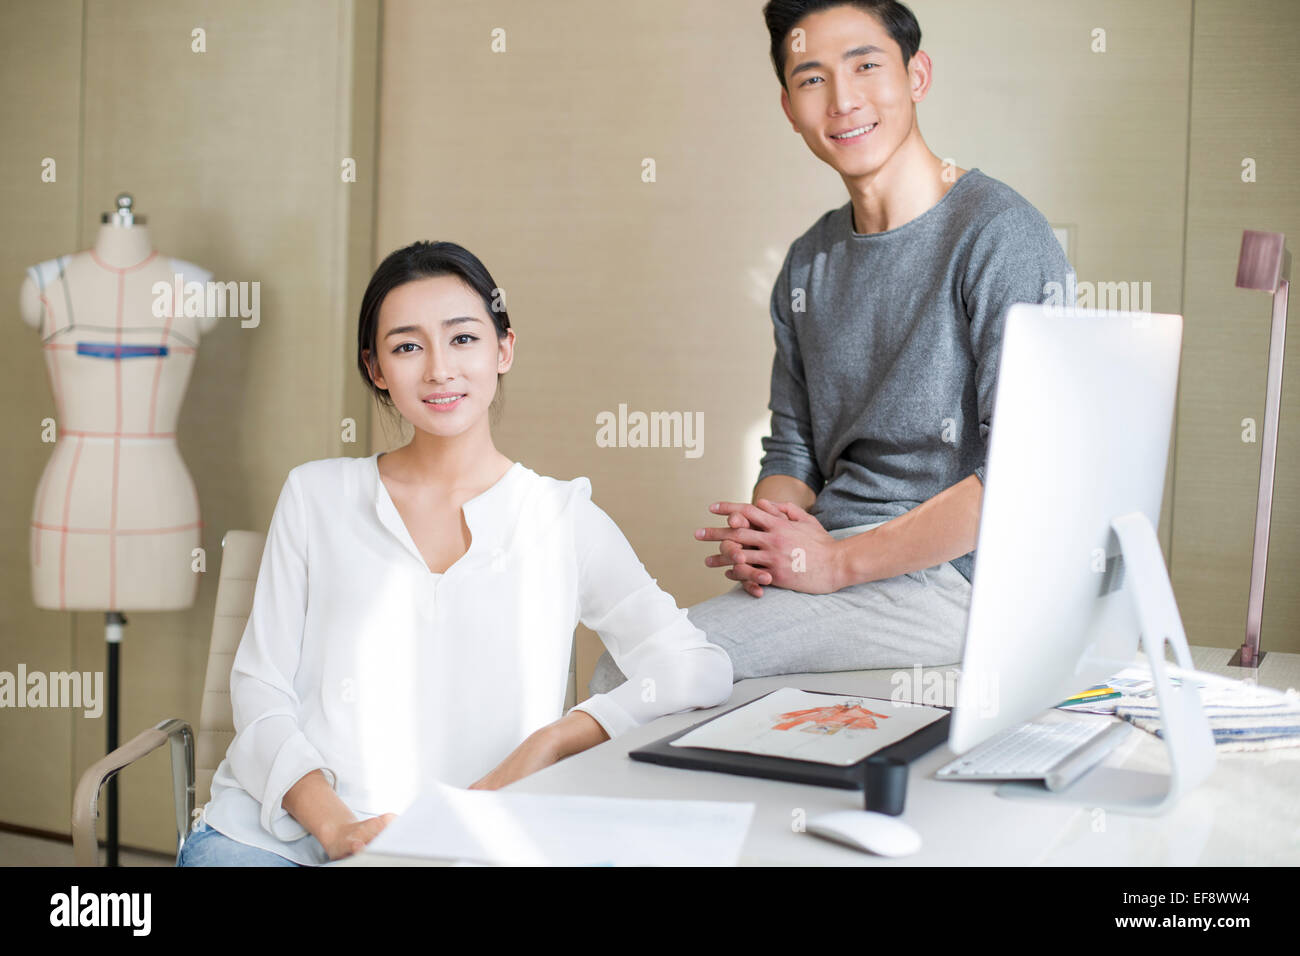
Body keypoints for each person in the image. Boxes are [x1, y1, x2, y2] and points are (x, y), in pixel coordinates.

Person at [178, 241, 733, 866]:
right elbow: (260, 689)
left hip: (469, 844)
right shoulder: (316, 495)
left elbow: (695, 665)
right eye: (408, 346)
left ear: (505, 349)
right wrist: (337, 828)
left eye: (463, 338)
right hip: (283, 836)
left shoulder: (560, 517)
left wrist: (554, 740)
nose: (439, 369)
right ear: (376, 368)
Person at [591, 0, 1074, 692]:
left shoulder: (998, 235)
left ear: (917, 75)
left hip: (963, 578)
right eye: (812, 78)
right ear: (789, 107)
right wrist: (773, 532)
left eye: (866, 66)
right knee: (651, 667)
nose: (843, 100)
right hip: (842, 560)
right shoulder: (809, 262)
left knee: (631, 672)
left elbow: (1025, 473)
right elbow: (794, 451)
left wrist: (835, 566)